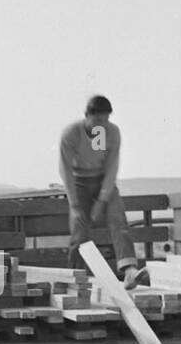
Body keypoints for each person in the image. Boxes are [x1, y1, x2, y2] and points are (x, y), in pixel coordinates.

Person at [59, 95, 142, 288]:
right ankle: (76, 277)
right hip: (78, 182)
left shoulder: (111, 133)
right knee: (79, 227)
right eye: (97, 121)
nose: (101, 125)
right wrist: (75, 204)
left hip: (102, 180)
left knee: (117, 217)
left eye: (105, 120)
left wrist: (102, 200)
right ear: (86, 116)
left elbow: (112, 167)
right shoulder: (71, 133)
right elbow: (65, 169)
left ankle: (129, 270)